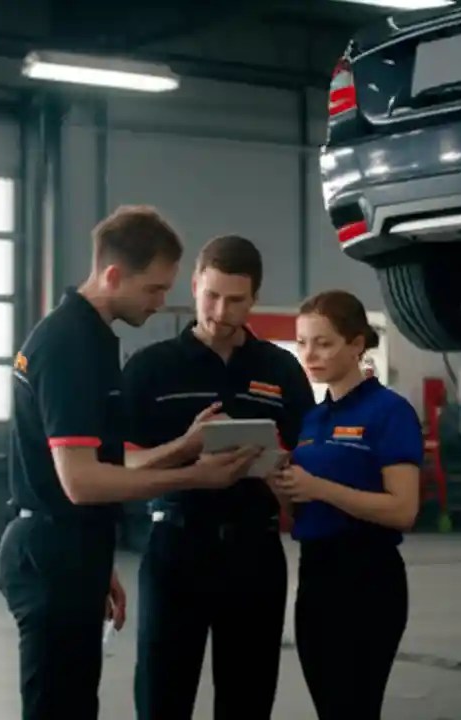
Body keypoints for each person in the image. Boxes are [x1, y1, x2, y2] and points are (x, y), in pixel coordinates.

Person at [0, 205, 263, 720]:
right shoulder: (71, 345)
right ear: (114, 275)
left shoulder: (87, 336)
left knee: (73, 703)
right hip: (53, 551)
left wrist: (182, 446)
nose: (163, 302)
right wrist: (193, 475)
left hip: (70, 548)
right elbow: (81, 482)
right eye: (155, 289)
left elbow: (97, 465)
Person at [122, 235, 317, 720]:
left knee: (248, 698)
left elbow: (309, 457)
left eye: (235, 300)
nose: (220, 310)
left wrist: (285, 470)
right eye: (211, 295)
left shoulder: (281, 368)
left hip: (256, 554)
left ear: (254, 299)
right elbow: (119, 464)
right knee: (163, 695)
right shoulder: (151, 369)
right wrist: (187, 455)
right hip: (175, 551)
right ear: (194, 285)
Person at [270, 290, 423, 720]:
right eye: (302, 342)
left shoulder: (389, 412)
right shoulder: (311, 420)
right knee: (328, 706)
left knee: (354, 708)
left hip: (369, 578)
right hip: (317, 575)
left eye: (323, 342)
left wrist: (318, 487)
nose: (309, 354)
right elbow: (302, 509)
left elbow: (403, 510)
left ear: (357, 344)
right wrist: (281, 485)